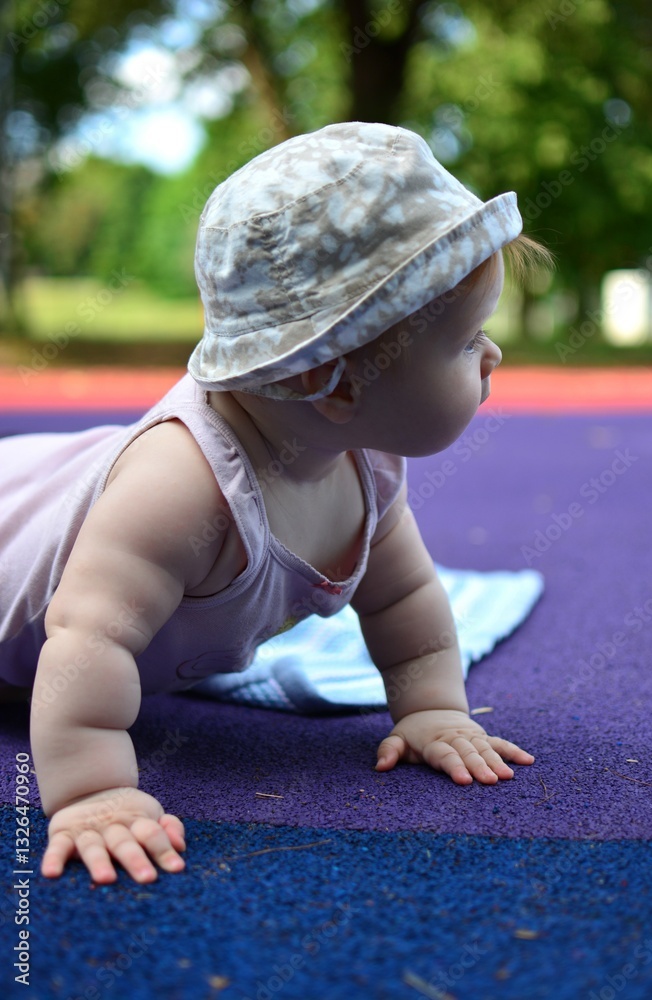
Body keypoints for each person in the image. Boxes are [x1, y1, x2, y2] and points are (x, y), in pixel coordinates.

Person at [0, 121, 551, 885]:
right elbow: (86, 638)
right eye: (465, 341)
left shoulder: (365, 465)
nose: (492, 355)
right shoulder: (181, 490)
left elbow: (406, 600)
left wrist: (431, 709)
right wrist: (92, 791)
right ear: (331, 384)